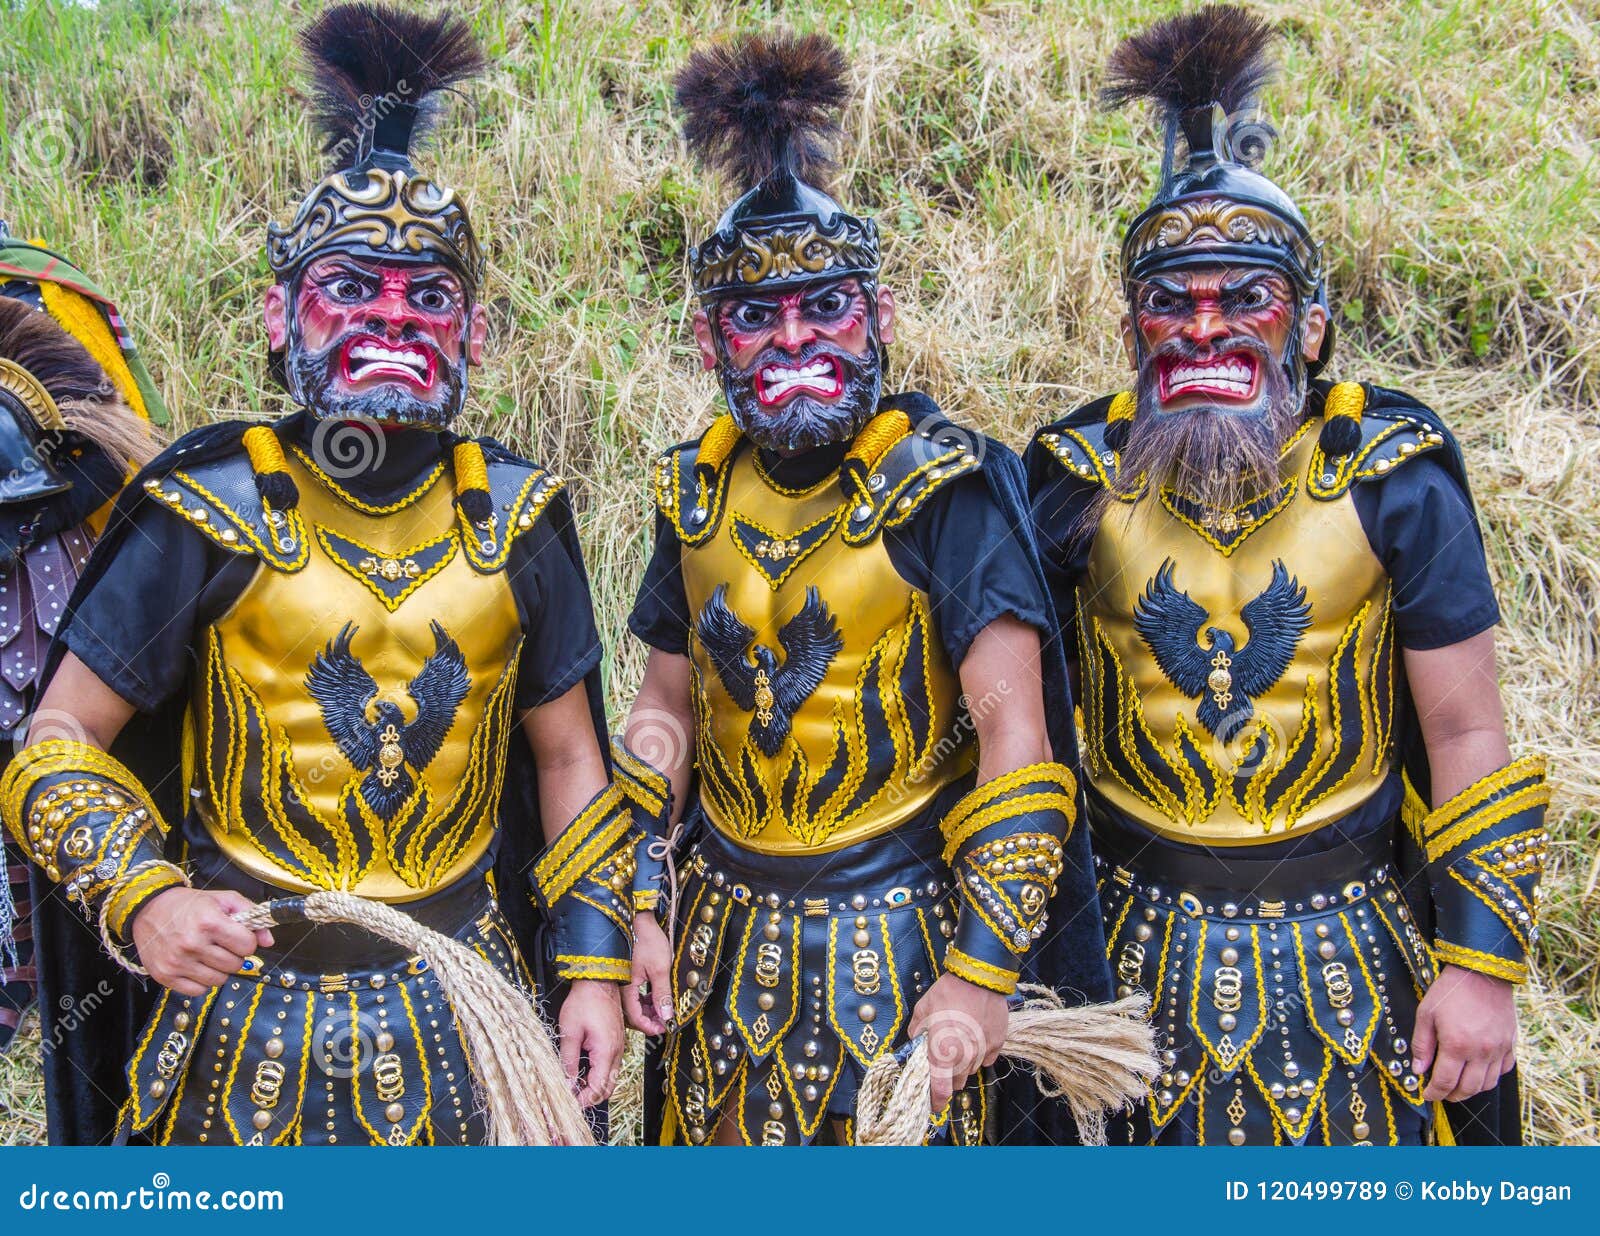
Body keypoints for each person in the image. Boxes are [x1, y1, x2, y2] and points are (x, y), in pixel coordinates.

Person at [0, 3, 630, 1144]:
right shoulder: (208, 509)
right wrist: (145, 897)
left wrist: (589, 962)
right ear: (280, 312)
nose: (390, 318)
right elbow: (55, 743)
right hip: (243, 1028)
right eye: (352, 289)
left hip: (467, 1012)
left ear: (474, 335)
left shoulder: (523, 516)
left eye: (426, 296)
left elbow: (572, 757)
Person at [1025, 6, 1547, 1146]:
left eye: (1241, 297)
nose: (1202, 326)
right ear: (1129, 324)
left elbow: (1463, 734)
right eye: (1171, 299)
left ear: (1309, 326)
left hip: (1353, 946)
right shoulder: (1069, 478)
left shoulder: (1393, 478)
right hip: (1124, 945)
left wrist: (1480, 965)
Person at [614, 30, 1112, 1147]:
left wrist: (983, 973)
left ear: (877, 316)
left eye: (823, 310)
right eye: (756, 317)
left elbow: (1015, 744)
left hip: (908, 944)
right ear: (711, 339)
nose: (793, 341)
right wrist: (640, 893)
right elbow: (664, 711)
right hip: (719, 949)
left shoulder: (945, 488)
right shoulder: (692, 496)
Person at [0, 276, 160, 1052]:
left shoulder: (39, 306)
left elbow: (112, 452)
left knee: (46, 764)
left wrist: (25, 514)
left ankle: (48, 972)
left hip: (42, 597)